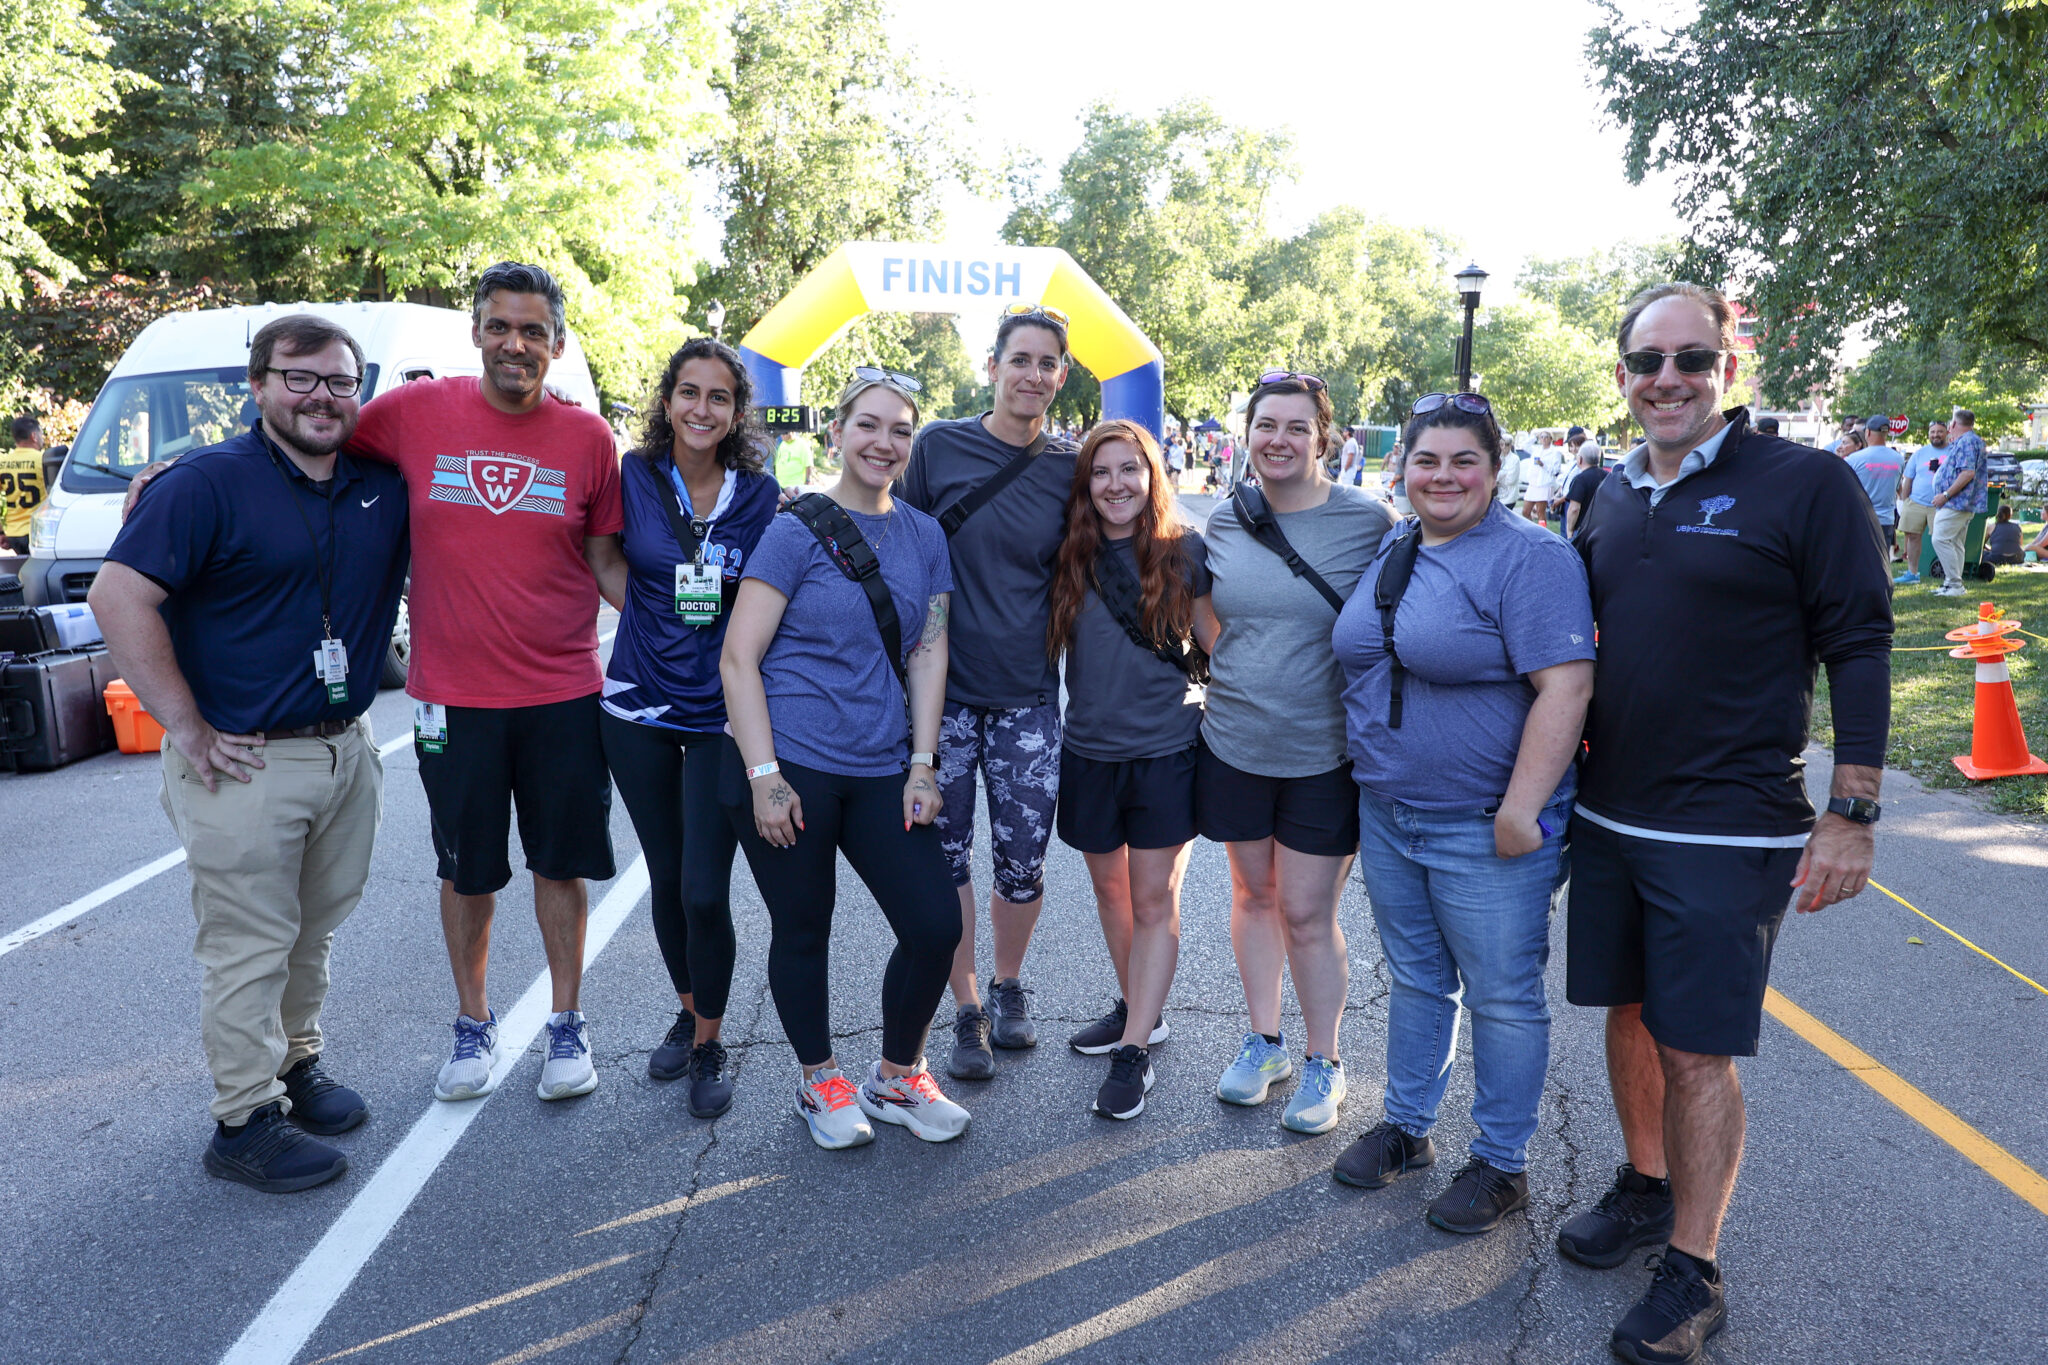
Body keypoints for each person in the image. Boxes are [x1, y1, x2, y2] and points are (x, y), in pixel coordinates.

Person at [1566, 283, 1891, 1365]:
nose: (1666, 378)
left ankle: (1693, 1269)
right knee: (1624, 1011)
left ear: (1726, 372)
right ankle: (1645, 1182)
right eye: (1645, 360)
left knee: (1696, 1047)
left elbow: (1858, 643)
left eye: (1689, 359)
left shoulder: (1806, 482)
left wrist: (1849, 811)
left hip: (1729, 824)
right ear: (1619, 373)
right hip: (1608, 813)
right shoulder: (1600, 492)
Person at [91, 316, 408, 1192]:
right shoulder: (201, 483)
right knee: (248, 943)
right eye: (299, 379)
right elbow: (119, 597)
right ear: (258, 385)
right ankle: (242, 1118)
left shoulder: (383, 483)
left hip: (344, 747)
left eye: (340, 382)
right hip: (245, 759)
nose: (321, 397)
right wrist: (184, 726)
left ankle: (295, 1065)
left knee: (313, 927)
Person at [346, 262, 627, 1104]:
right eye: (500, 325)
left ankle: (566, 1023)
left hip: (564, 694)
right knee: (467, 870)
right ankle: (473, 1023)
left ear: (557, 344)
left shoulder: (588, 440)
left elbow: (608, 557)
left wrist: (700, 637)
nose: (515, 343)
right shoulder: (409, 414)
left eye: (532, 330)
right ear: (475, 332)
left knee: (559, 863)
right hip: (450, 698)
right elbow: (308, 444)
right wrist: (177, 478)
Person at [1331, 389, 1593, 1234]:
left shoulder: (1530, 556)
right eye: (1427, 460)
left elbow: (1568, 685)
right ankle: (1408, 1128)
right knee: (1416, 978)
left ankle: (1503, 1162)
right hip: (1391, 810)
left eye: (1463, 460)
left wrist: (1522, 810)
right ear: (1402, 467)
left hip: (1486, 821)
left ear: (1497, 467)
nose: (1443, 476)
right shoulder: (1397, 544)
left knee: (1503, 996)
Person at [719, 369, 964, 1149]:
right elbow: (738, 657)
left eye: (899, 429)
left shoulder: (924, 535)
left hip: (884, 763)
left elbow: (928, 650)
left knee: (933, 925)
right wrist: (764, 778)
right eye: (868, 424)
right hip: (791, 765)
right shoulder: (795, 531)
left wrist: (923, 762)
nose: (883, 442)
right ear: (837, 432)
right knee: (803, 925)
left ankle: (897, 1075)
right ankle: (819, 1077)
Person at [1198, 371, 1394, 1134]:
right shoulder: (1223, 518)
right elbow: (1209, 618)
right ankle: (1264, 1041)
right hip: (1236, 741)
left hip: (1325, 751)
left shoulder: (1366, 520)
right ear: (1247, 433)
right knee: (1252, 895)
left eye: (1296, 427)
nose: (1278, 440)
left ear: (1325, 437)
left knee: (1308, 911)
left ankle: (1325, 1060)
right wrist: (1250, 673)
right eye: (1265, 425)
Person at [897, 305, 1079, 1081]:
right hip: (943, 698)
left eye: (1047, 363)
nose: (1032, 375)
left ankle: (1009, 986)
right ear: (994, 364)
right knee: (944, 864)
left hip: (1029, 699)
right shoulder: (939, 446)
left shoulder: (1069, 467)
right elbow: (894, 538)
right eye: (1020, 359)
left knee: (1021, 864)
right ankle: (966, 1007)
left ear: (1061, 376)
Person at [600, 339, 780, 1119]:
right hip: (635, 710)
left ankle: (710, 1041)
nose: (701, 409)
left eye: (718, 397)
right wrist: (645, 621)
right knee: (668, 879)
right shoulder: (632, 476)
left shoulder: (759, 496)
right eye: (688, 393)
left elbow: (772, 593)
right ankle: (688, 1006)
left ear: (737, 413)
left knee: (707, 890)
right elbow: (603, 556)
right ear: (667, 400)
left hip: (719, 717)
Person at [1048, 420, 1211, 1120]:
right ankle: (1141, 1009)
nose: (1116, 484)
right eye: (1102, 472)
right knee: (1112, 897)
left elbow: (1218, 649)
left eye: (1129, 470)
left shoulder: (1185, 552)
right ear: (1086, 485)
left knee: (1152, 901)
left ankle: (1134, 1051)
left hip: (1167, 753)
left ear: (1152, 477)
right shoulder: (1070, 555)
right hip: (1088, 750)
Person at [1929, 408, 1989, 597]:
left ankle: (1955, 584)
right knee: (1954, 542)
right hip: (1961, 502)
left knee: (1940, 538)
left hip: (1956, 502)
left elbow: (1967, 472)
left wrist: (1945, 495)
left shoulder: (1967, 442)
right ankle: (1951, 583)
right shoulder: (1968, 441)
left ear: (1953, 424)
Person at [1843, 414, 1903, 560]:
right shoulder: (1898, 458)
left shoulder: (1854, 459)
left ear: (1868, 432)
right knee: (1880, 562)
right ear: (1886, 433)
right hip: (1886, 520)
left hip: (1861, 517)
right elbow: (1898, 488)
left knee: (1857, 561)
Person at [1895, 420, 1947, 585]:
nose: (1935, 435)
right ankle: (1912, 573)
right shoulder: (1920, 453)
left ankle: (1948, 574)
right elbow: (1908, 478)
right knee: (1912, 536)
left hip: (1941, 503)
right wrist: (1904, 501)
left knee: (1942, 539)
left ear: (1947, 433)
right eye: (1932, 432)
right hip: (1916, 501)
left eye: (1939, 431)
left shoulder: (1954, 451)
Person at [3, 415, 46, 553]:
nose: (42, 438)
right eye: (41, 434)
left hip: (13, 534)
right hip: (38, 532)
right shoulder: (43, 460)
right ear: (34, 436)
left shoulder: (3, 462)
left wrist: (1, 533)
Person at [1562, 439, 1608, 538]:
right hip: (1603, 529)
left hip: (1583, 530)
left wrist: (1569, 530)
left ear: (1580, 459)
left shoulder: (1580, 480)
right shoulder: (1608, 477)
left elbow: (1574, 508)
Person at [1521, 436, 1558, 523]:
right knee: (1525, 512)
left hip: (1544, 485)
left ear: (1551, 439)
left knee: (1540, 513)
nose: (1544, 439)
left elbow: (1555, 470)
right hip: (1533, 483)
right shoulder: (1536, 449)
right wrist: (1534, 436)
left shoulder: (1555, 452)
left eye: (1546, 437)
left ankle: (1542, 533)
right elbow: (1524, 445)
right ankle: (1532, 530)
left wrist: (1543, 465)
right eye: (1541, 437)